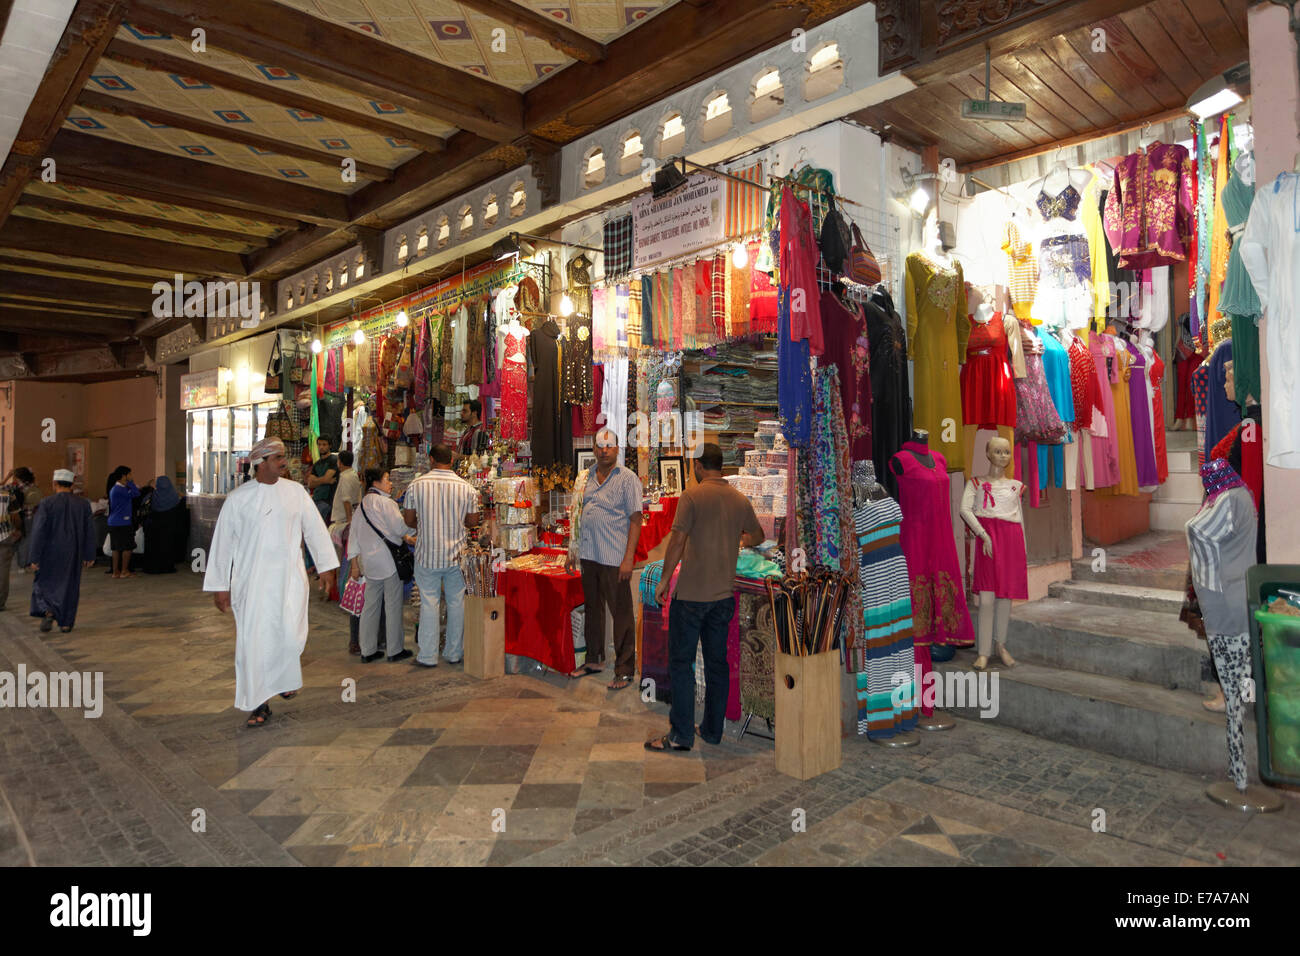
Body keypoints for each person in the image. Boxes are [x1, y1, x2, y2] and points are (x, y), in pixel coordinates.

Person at [204, 437, 338, 728]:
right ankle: (259, 703)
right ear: (261, 463)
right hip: (251, 585)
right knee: (254, 644)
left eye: (283, 456)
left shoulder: (296, 493)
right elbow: (222, 545)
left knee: (291, 636)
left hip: (289, 581)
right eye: (277, 457)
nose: (283, 461)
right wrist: (220, 585)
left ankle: (284, 679)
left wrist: (327, 568)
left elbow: (314, 530)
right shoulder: (238, 499)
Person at [647, 443, 763, 752]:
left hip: (691, 596)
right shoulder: (739, 499)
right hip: (722, 596)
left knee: (681, 664)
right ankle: (712, 730)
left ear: (698, 466)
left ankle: (681, 735)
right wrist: (736, 538)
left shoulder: (692, 496)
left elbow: (677, 541)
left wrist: (663, 580)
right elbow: (759, 535)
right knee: (717, 665)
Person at [567, 427, 643, 690]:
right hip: (589, 555)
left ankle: (624, 669)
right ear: (594, 448)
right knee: (592, 610)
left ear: (617, 448)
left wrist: (628, 558)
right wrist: (573, 550)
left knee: (621, 613)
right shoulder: (586, 477)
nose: (604, 450)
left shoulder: (627, 479)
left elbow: (635, 520)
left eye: (608, 445)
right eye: (599, 445)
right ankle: (595, 659)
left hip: (614, 557)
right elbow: (577, 513)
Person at [402, 443, 481, 668]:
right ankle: (454, 653)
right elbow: (473, 521)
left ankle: (427, 655)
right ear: (452, 460)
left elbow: (408, 520)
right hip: (456, 555)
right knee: (457, 603)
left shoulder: (417, 485)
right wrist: (459, 523)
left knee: (429, 603)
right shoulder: (467, 488)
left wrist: (423, 524)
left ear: (431, 459)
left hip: (427, 554)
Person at [349, 467, 416, 663]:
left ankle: (367, 650)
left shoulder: (361, 506)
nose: (390, 483)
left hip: (370, 564)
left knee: (370, 607)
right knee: (393, 605)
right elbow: (400, 528)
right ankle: (394, 649)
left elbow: (353, 538)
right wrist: (412, 521)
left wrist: (355, 564)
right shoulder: (386, 503)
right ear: (376, 483)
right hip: (389, 561)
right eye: (387, 479)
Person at [28, 469, 98, 633]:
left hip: (49, 552)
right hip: (73, 553)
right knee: (70, 586)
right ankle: (66, 623)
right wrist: (89, 554)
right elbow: (90, 530)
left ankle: (48, 611)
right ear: (72, 485)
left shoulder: (46, 503)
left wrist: (34, 556)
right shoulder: (83, 504)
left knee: (45, 583)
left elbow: (39, 531)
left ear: (54, 484)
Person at [329, 450, 363, 648]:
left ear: (340, 462)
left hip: (343, 522)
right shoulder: (355, 476)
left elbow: (346, 499)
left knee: (343, 564)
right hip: (347, 521)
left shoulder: (344, 477)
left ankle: (343, 597)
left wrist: (350, 520)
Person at [141, 476, 184, 574]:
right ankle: (167, 567)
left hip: (153, 527)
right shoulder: (174, 497)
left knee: (153, 548)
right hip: (168, 527)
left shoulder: (151, 496)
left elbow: (144, 507)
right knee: (167, 546)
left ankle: (152, 567)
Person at [107, 467, 140, 579]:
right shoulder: (120, 489)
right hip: (123, 521)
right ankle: (124, 571)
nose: (131, 476)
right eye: (129, 474)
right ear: (123, 476)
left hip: (114, 521)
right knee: (127, 547)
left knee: (116, 547)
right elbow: (136, 493)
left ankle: (116, 572)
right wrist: (131, 482)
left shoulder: (115, 488)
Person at [0, 476, 23, 610]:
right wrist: (18, 530)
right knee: (3, 570)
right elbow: (16, 517)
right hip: (4, 536)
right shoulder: (7, 494)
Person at [11, 467, 41, 570]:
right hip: (31, 516)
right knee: (27, 539)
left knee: (24, 538)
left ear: (19, 477)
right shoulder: (32, 486)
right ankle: (23, 562)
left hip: (22, 516)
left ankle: (22, 561)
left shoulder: (19, 488)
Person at [306, 437, 339, 525]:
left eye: (324, 445)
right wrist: (325, 480)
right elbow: (310, 484)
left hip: (328, 499)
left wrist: (317, 480)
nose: (321, 447)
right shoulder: (317, 463)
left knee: (316, 525)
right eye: (319, 444)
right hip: (317, 498)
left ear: (330, 446)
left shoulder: (334, 460)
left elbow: (326, 478)